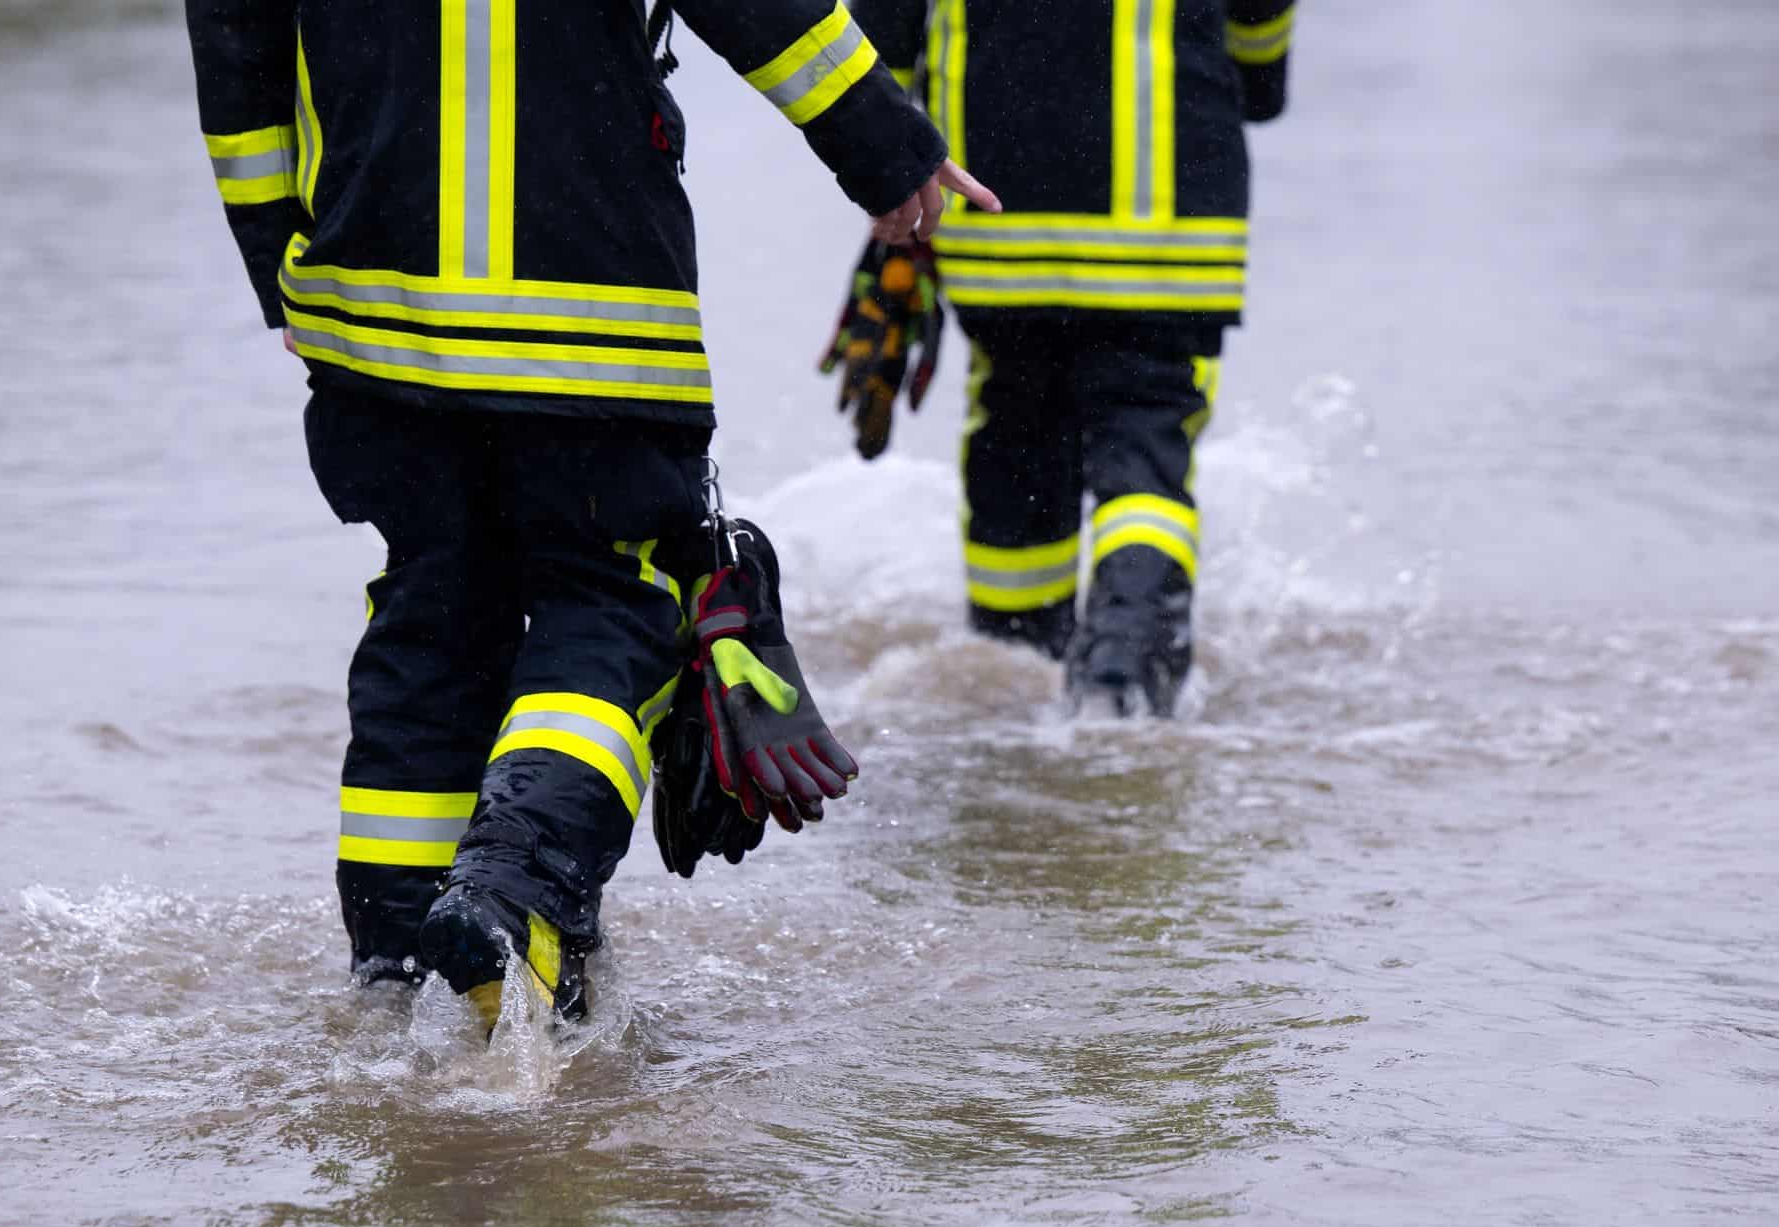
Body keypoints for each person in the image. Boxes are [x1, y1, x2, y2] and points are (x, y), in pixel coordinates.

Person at [183, 0, 998, 1022]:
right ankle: (511, 892)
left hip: (371, 315)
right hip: (594, 312)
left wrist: (278, 259)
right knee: (615, 605)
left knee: (430, 624)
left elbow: (236, 45)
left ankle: (394, 966)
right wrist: (886, 146)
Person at [823, 0, 1295, 715]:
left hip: (995, 231)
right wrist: (1259, 76)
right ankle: (1120, 692)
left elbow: (881, 45)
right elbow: (1260, 41)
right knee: (1145, 457)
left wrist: (892, 184)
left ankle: (1010, 688)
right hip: (1163, 243)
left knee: (1015, 446)